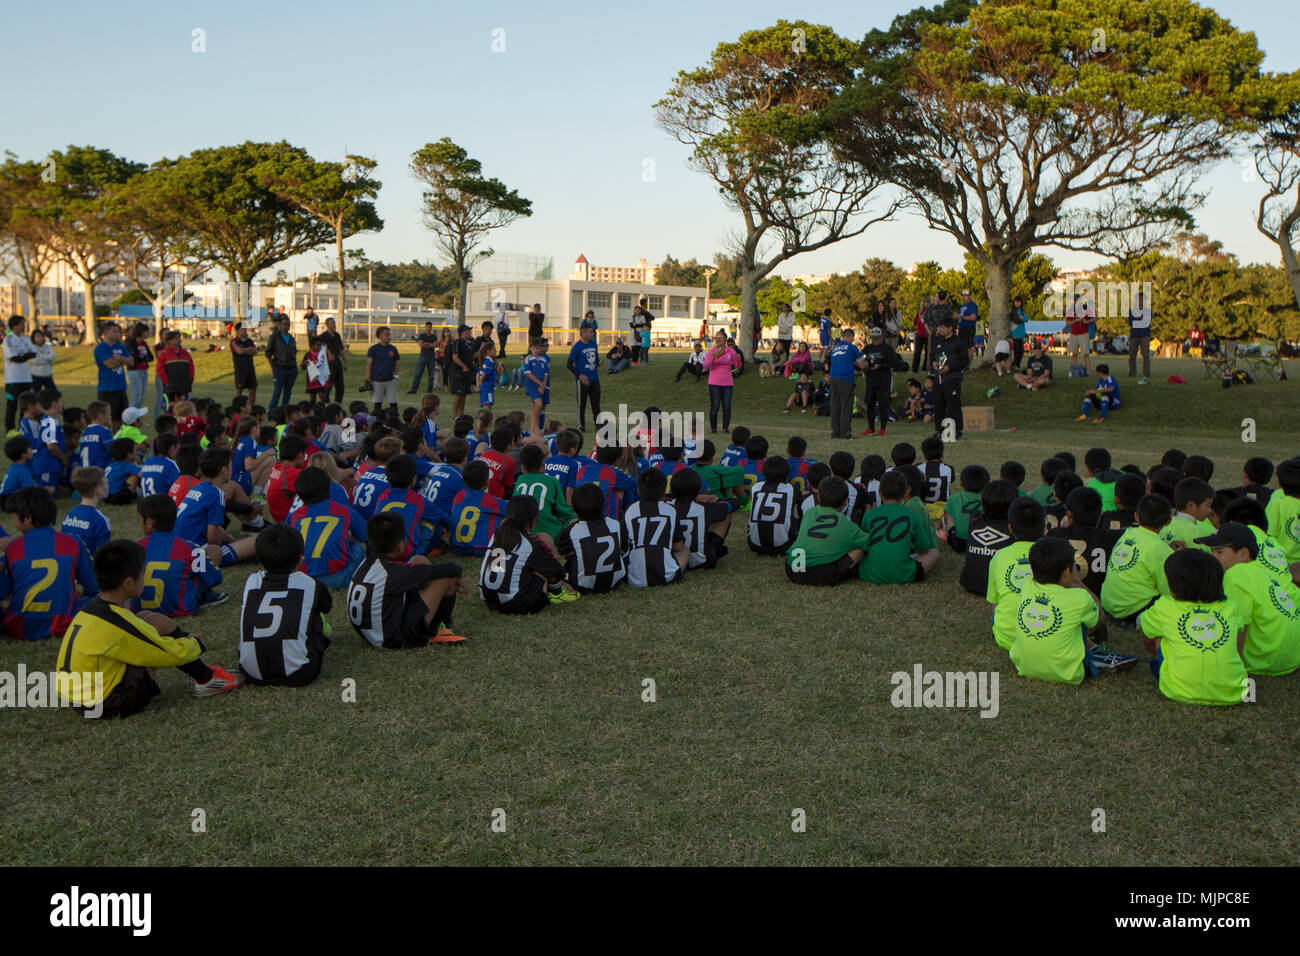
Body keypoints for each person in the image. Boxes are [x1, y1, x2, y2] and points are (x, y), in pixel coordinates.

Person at [55, 539, 243, 718]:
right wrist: (194, 644)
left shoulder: (91, 611)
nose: (145, 577)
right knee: (155, 642)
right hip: (103, 705)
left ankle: (204, 675)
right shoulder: (117, 623)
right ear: (128, 583)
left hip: (78, 699)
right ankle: (206, 679)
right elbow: (164, 653)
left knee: (147, 618)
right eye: (143, 573)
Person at [1004, 537, 1128, 684]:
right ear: (1067, 571)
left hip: (1023, 666)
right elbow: (1099, 616)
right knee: (1085, 620)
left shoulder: (1026, 585)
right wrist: (1077, 581)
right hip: (1069, 673)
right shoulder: (1080, 598)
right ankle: (1091, 654)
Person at [1137, 548, 1248, 705]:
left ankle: (1177, 673)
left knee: (1158, 632)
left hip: (1178, 691)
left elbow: (1145, 626)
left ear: (1174, 585)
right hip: (1235, 692)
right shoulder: (1230, 607)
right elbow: (1238, 641)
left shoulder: (1164, 607)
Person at [348, 512, 472, 647]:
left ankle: (437, 625)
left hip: (373, 632)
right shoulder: (393, 572)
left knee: (419, 560)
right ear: (400, 545)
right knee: (445, 579)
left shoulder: (367, 564)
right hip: (392, 639)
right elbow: (451, 568)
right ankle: (439, 629)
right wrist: (458, 579)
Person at [1199, 522, 1300, 676]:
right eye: (1212, 552)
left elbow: (1239, 626)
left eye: (1219, 552)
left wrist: (1233, 670)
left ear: (1243, 554)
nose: (1214, 558)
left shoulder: (1236, 574)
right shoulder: (1264, 571)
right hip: (1291, 658)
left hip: (1264, 661)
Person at [0, 486, 98, 640]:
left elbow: (3, 590)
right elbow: (93, 586)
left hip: (19, 627)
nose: (12, 521)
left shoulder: (13, 547)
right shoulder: (73, 542)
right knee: (99, 600)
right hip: (66, 625)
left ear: (27, 518)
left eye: (13, 516)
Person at [135, 494, 225, 616]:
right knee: (214, 551)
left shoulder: (134, 548)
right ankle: (204, 596)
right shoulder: (190, 548)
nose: (140, 523)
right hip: (182, 609)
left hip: (139, 609)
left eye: (140, 519)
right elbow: (215, 578)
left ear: (149, 522)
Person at [288, 466, 367, 589]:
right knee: (360, 545)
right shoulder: (344, 511)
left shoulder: (294, 515)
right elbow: (365, 535)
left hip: (301, 575)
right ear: (329, 488)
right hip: (336, 578)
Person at [784, 476, 871, 586]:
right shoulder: (846, 524)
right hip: (821, 574)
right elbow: (869, 543)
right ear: (846, 501)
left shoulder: (810, 513)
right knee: (860, 549)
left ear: (818, 498)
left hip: (792, 568)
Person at [1101, 493, 1174, 622]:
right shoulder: (1161, 549)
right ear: (1169, 521)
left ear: (1136, 516)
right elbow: (1168, 591)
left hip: (1108, 604)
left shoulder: (1128, 533)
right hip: (1134, 610)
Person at [622, 468, 688, 587]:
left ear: (638, 491)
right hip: (665, 577)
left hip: (633, 579)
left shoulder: (630, 510)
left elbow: (624, 546)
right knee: (685, 550)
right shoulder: (670, 510)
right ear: (664, 492)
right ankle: (673, 572)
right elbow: (678, 546)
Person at [859, 326, 906, 437]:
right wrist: (864, 366)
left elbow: (894, 362)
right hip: (871, 380)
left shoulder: (887, 348)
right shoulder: (867, 348)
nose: (875, 340)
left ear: (882, 337)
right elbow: (861, 359)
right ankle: (870, 427)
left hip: (883, 380)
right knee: (870, 404)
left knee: (883, 404)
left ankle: (882, 428)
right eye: (873, 338)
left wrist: (880, 365)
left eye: (877, 338)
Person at [747, 457, 800, 555]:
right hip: (784, 546)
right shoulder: (792, 489)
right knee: (796, 511)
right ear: (787, 474)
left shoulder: (756, 487)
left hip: (754, 545)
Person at [928, 318, 968, 440]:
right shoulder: (937, 341)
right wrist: (933, 363)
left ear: (950, 328)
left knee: (953, 405)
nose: (940, 329)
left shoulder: (959, 342)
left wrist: (950, 368)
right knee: (938, 404)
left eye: (942, 327)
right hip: (938, 378)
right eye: (939, 327)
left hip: (952, 378)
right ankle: (940, 430)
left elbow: (964, 361)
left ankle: (956, 430)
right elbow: (932, 357)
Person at [827, 328, 865, 440]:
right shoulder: (852, 347)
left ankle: (836, 432)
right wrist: (866, 365)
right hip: (846, 379)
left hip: (833, 378)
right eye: (852, 337)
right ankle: (845, 433)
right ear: (850, 337)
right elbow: (861, 364)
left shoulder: (835, 348)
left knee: (835, 405)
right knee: (846, 406)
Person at [701, 330, 742, 434]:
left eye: (720, 337)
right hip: (714, 383)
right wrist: (713, 358)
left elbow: (738, 366)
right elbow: (705, 366)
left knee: (727, 406)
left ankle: (725, 427)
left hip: (727, 383)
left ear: (725, 339)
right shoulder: (711, 352)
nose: (718, 339)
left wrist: (738, 359)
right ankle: (713, 428)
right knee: (715, 406)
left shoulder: (730, 351)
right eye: (716, 338)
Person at [93, 321, 132, 425]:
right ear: (106, 332)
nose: (118, 334)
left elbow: (131, 362)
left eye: (118, 332)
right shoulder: (101, 348)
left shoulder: (120, 347)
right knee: (108, 419)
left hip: (121, 388)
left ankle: (117, 440)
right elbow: (110, 364)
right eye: (114, 331)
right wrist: (124, 361)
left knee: (121, 419)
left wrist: (119, 358)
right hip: (107, 389)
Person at [3, 315, 36, 432]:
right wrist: (24, 356)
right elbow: (14, 358)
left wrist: (23, 356)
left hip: (26, 378)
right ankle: (10, 429)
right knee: (12, 405)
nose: (23, 326)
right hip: (12, 378)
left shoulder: (26, 339)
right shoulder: (8, 340)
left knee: (26, 405)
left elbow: (33, 353)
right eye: (22, 324)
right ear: (15, 326)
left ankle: (23, 427)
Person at [567, 324, 601, 432]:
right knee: (582, 405)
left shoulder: (594, 344)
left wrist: (598, 363)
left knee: (596, 404)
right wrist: (580, 376)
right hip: (583, 380)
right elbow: (569, 365)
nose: (593, 334)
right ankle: (581, 426)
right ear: (584, 333)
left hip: (594, 378)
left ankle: (598, 425)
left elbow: (595, 361)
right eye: (590, 332)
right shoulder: (577, 347)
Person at [265, 313, 298, 409]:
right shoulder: (274, 337)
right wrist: (273, 368)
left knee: (287, 392)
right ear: (279, 325)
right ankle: (271, 411)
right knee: (277, 392)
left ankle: (284, 411)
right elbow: (268, 354)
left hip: (291, 369)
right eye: (284, 324)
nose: (286, 326)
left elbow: (294, 352)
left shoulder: (292, 339)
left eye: (288, 324)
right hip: (279, 368)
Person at [364, 326, 400, 415]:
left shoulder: (392, 349)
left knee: (393, 403)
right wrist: (368, 379)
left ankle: (395, 420)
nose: (389, 337)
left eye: (389, 334)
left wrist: (396, 375)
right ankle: (377, 421)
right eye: (386, 335)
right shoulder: (373, 349)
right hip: (377, 380)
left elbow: (396, 362)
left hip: (390, 380)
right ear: (380, 336)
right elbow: (369, 364)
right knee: (377, 404)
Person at [448, 324, 476, 418]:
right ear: (463, 332)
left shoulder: (468, 343)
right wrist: (463, 366)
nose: (470, 333)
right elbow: (455, 357)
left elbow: (472, 356)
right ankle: (455, 415)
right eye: (468, 331)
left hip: (466, 374)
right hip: (458, 373)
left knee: (464, 394)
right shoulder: (458, 342)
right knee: (458, 394)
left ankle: (461, 414)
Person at [1127, 291, 1152, 384]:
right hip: (1134, 335)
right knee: (1132, 355)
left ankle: (1146, 373)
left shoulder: (1148, 311)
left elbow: (1147, 322)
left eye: (1142, 299)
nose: (1140, 301)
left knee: (1145, 355)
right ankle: (1132, 372)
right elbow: (1130, 322)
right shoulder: (1132, 311)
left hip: (1144, 335)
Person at [408, 321, 439, 394]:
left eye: (430, 327)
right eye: (427, 326)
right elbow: (421, 345)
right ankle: (414, 389)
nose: (429, 328)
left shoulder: (433, 336)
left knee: (431, 375)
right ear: (425, 327)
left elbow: (436, 345)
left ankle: (429, 390)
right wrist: (430, 344)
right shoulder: (422, 335)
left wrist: (427, 344)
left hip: (431, 357)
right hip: (423, 356)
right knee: (418, 374)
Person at [1065, 294, 1092, 375]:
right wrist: (1076, 320)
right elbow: (1068, 323)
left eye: (1078, 300)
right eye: (1075, 300)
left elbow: (1096, 317)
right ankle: (1074, 371)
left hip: (1084, 334)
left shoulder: (1086, 308)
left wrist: (1087, 322)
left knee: (1086, 354)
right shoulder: (1070, 310)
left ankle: (1088, 372)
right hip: (1074, 334)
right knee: (1074, 354)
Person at [1009, 295, 1028, 368]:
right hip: (1014, 334)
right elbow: (1016, 320)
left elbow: (1026, 318)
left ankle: (1017, 364)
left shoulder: (1022, 310)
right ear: (1014, 302)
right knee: (1016, 351)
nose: (1018, 303)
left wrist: (1021, 318)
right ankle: (1015, 365)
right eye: (1016, 301)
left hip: (1021, 335)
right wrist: (1021, 318)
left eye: (1019, 301)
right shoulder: (1013, 311)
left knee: (1021, 352)